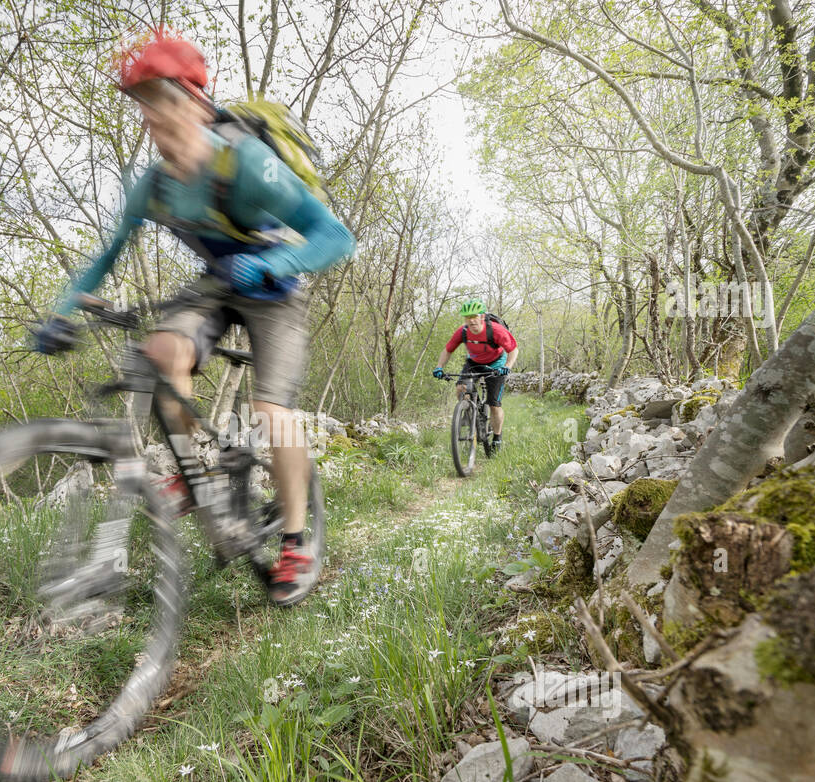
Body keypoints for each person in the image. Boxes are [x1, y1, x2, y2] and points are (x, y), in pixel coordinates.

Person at [34, 29, 355, 606]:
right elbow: (105, 257)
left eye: (161, 103)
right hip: (217, 281)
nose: (151, 120)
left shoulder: (247, 162)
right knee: (160, 353)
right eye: (144, 108)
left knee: (271, 410)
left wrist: (275, 262)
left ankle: (297, 541)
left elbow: (335, 237)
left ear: (195, 102)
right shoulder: (155, 186)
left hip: (277, 286)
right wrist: (61, 314)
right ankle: (195, 470)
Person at [433, 300, 519, 455]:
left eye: (474, 316)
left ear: (482, 316)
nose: (471, 320)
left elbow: (513, 350)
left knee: (494, 405)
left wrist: (507, 367)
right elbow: (448, 350)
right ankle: (469, 411)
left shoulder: (496, 330)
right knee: (461, 388)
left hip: (496, 365)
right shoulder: (463, 331)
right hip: (474, 362)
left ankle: (497, 438)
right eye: (467, 317)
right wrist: (439, 367)